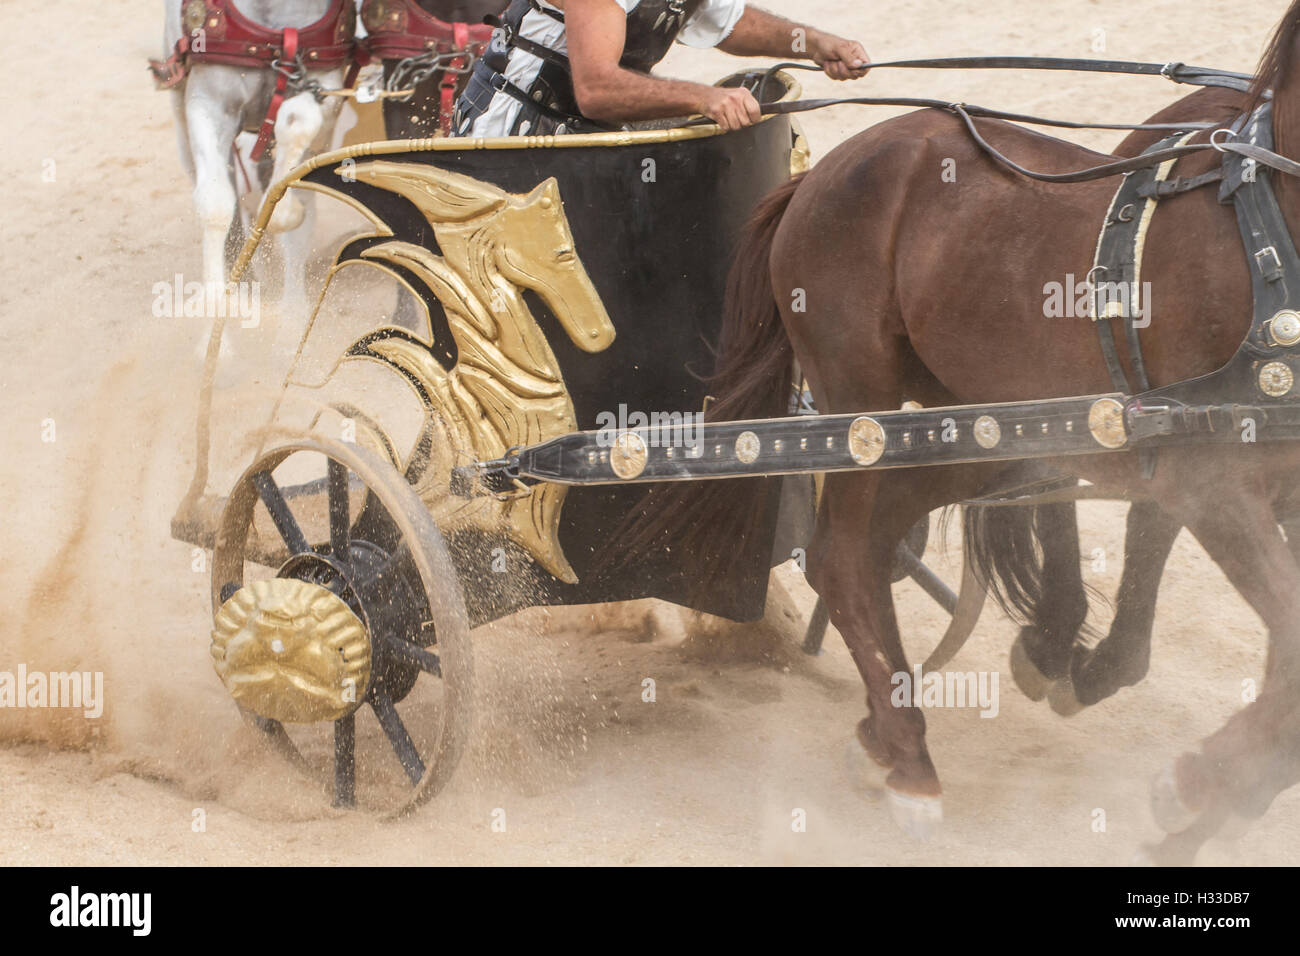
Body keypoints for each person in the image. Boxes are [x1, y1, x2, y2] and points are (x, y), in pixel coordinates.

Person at [452, 0, 869, 136]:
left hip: (593, 130)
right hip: (515, 131)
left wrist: (813, 43)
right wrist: (704, 98)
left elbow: (729, 21)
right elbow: (596, 89)